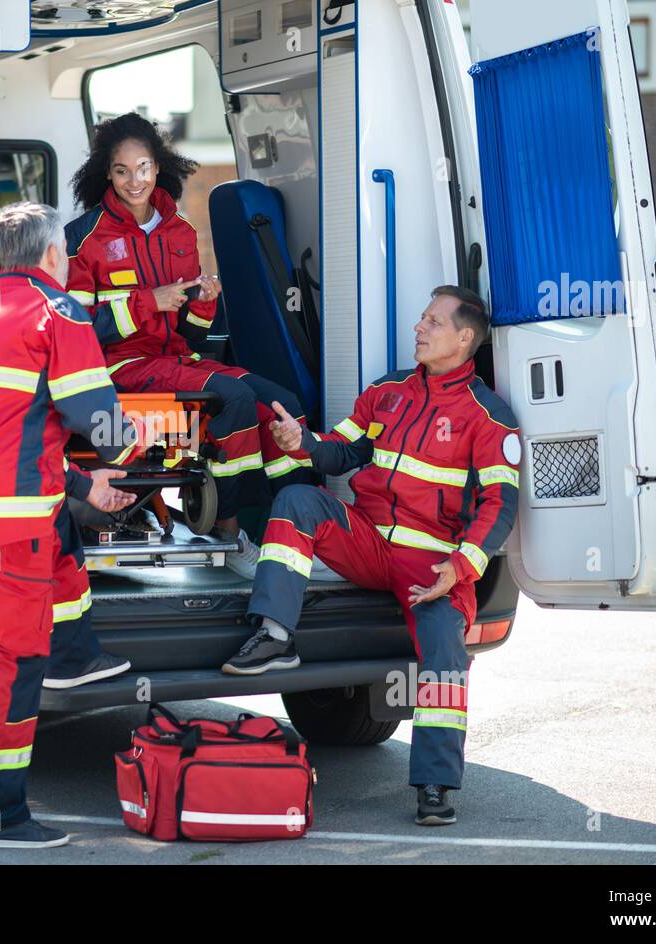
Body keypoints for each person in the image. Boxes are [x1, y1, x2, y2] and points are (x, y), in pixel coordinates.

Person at [222, 286, 521, 826]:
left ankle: (435, 783)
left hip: (430, 566)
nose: (419, 328)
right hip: (366, 540)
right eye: (421, 318)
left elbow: (502, 505)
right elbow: (344, 450)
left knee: (444, 657)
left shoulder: (488, 415)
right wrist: (302, 444)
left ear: (464, 338)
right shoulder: (386, 391)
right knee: (296, 500)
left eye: (432, 321)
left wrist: (459, 568)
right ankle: (274, 634)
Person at [0, 201, 146, 849]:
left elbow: (8, 431)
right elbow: (94, 416)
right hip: (7, 512)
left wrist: (79, 488)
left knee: (63, 537)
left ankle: (74, 658)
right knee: (10, 658)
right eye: (68, 254)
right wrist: (140, 458)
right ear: (54, 256)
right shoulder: (60, 312)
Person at [64, 112, 318, 571]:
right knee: (235, 398)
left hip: (178, 358)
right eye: (122, 170)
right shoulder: (83, 239)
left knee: (283, 403)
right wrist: (148, 302)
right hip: (119, 367)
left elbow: (193, 336)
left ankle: (296, 532)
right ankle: (230, 533)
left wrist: (203, 302)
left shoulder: (180, 229)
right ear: (107, 172)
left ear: (158, 166)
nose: (134, 180)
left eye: (143, 167)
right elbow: (77, 328)